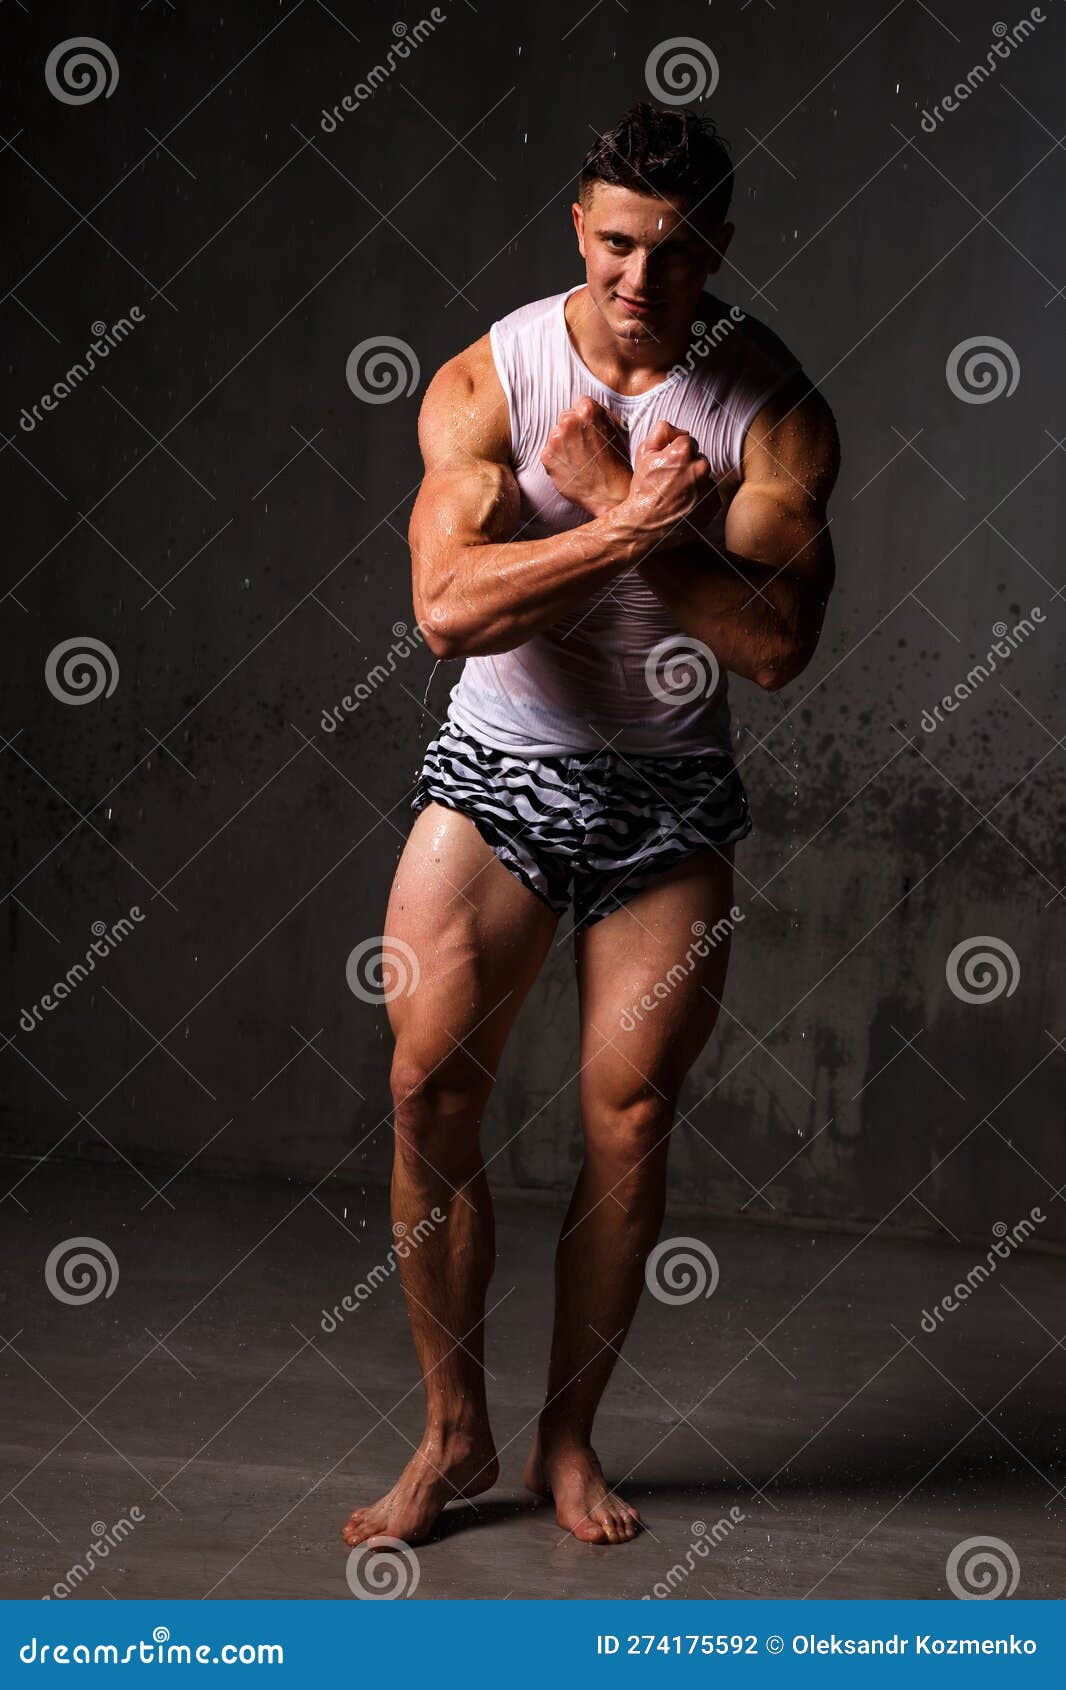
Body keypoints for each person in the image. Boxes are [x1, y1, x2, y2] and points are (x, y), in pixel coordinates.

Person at [342, 99, 839, 1552]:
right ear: (578, 227)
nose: (637, 279)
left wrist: (631, 501)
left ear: (717, 252)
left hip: (667, 797)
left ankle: (566, 1437)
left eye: (672, 254)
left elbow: (770, 649)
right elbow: (444, 612)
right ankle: (452, 1431)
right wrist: (627, 522)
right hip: (499, 768)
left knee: (625, 1117)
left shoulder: (772, 405)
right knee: (424, 1090)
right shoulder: (491, 380)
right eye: (615, 243)